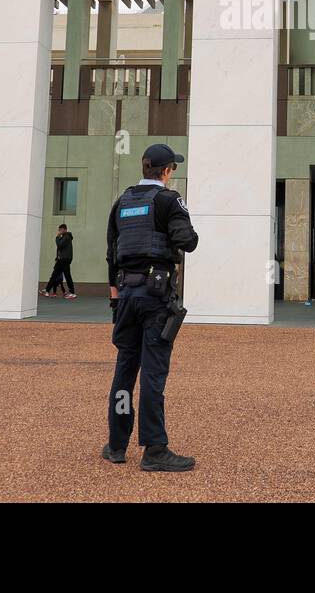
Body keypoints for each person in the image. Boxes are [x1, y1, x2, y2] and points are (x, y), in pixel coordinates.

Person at [103, 143, 198, 472]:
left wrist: (116, 299)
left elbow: (111, 255)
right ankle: (155, 449)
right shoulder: (169, 201)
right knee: (154, 374)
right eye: (173, 168)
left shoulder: (122, 202)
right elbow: (189, 241)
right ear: (167, 171)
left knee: (124, 372)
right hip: (154, 297)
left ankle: (116, 445)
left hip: (126, 295)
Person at [43, 223, 76, 298]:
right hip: (62, 259)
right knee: (55, 274)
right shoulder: (65, 236)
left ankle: (72, 292)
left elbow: (60, 245)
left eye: (60, 230)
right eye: (59, 230)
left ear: (65, 229)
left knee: (65, 275)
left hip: (64, 259)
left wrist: (57, 237)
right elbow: (60, 248)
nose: (59, 231)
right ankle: (47, 290)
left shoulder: (67, 236)